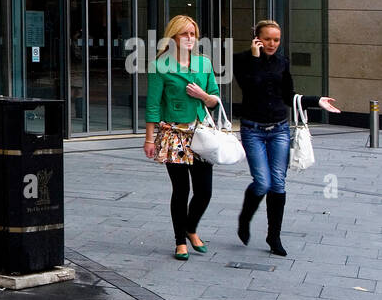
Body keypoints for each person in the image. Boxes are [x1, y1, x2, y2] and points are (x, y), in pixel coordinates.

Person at [233, 20, 340, 256]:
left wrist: (316, 101)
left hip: (279, 129)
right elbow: (250, 86)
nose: (272, 44)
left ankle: (274, 236)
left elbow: (288, 94)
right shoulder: (242, 60)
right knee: (263, 182)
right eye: (268, 39)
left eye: (276, 39)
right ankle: (245, 218)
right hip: (253, 130)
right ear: (257, 38)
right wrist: (255, 57)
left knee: (278, 183)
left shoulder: (282, 62)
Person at [143, 14, 221, 260]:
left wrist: (202, 95)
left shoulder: (204, 64)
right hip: (172, 134)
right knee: (181, 190)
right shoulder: (160, 66)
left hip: (200, 134)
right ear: (173, 37)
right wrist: (148, 138)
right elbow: (153, 105)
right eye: (184, 33)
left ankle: (191, 228)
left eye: (193, 34)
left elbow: (215, 99)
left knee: (204, 191)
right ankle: (180, 241)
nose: (189, 38)